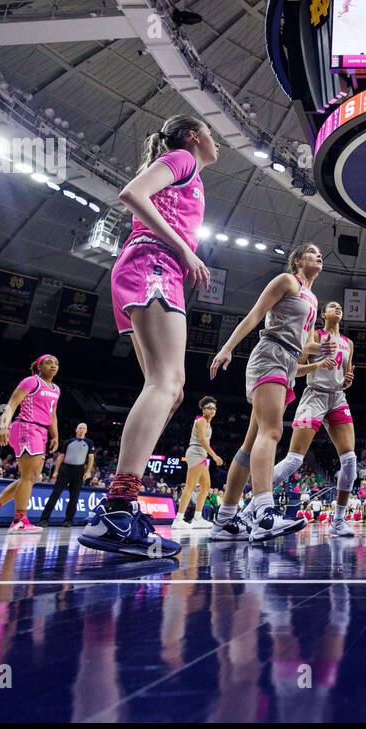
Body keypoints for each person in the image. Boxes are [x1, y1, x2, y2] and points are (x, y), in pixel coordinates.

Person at [83, 114, 215, 559]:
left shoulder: (188, 171)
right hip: (154, 263)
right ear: (194, 137)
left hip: (151, 266)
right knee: (167, 384)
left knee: (168, 390)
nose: (216, 142)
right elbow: (132, 194)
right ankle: (118, 507)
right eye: (210, 133)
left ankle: (120, 505)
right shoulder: (182, 158)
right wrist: (182, 248)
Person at [208, 244, 322, 543]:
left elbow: (305, 344)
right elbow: (256, 314)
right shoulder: (286, 281)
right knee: (271, 433)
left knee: (250, 445)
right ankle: (263, 514)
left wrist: (322, 350)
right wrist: (227, 348)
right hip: (271, 353)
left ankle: (224, 519)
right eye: (312, 251)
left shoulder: (312, 297)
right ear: (298, 260)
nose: (319, 255)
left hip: (288, 361)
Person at [282, 301, 360, 538]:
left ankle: (338, 520)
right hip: (314, 395)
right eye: (333, 306)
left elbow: (346, 374)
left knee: (350, 462)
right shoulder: (316, 335)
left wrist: (348, 379)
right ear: (323, 314)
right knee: (294, 461)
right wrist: (317, 363)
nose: (338, 308)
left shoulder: (349, 343)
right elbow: (296, 369)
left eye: (340, 307)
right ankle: (255, 504)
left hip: (337, 397)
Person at [0, 355, 60, 535]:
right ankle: (20, 520)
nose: (53, 366)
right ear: (39, 366)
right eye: (49, 362)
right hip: (26, 426)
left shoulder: (56, 389)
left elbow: (53, 413)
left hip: (41, 431)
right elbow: (11, 404)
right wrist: (4, 426)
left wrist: (55, 435)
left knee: (31, 478)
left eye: (56, 363)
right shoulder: (31, 381)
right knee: (28, 477)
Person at [174, 397, 223, 530]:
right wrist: (214, 456)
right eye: (209, 408)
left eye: (214, 408)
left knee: (206, 486)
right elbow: (202, 440)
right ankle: (178, 519)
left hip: (201, 454)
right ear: (203, 410)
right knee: (190, 487)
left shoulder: (208, 423)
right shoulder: (201, 421)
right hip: (195, 451)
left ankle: (197, 518)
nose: (212, 410)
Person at [40, 422, 94, 527]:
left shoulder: (89, 443)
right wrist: (56, 471)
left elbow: (91, 458)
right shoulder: (68, 441)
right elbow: (60, 457)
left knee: (74, 497)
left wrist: (88, 471)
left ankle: (68, 520)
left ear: (86, 431)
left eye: (84, 428)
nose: (82, 429)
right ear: (76, 430)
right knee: (55, 494)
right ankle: (44, 519)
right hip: (65, 469)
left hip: (79, 471)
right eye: (80, 428)